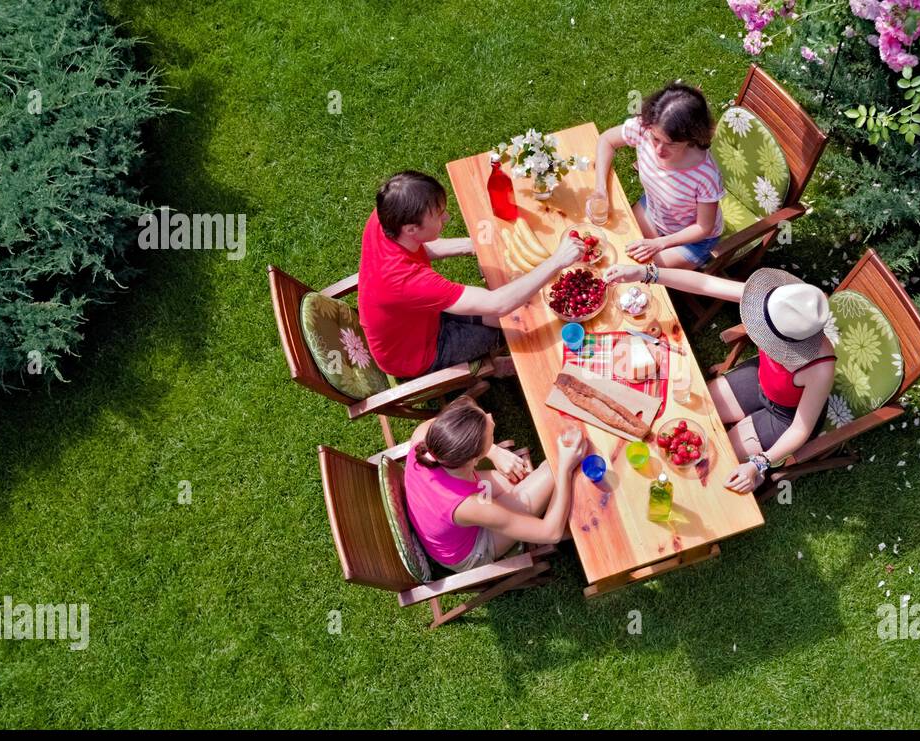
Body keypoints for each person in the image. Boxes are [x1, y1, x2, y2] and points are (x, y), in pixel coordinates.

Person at [605, 263, 835, 494]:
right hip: (761, 378)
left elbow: (799, 429)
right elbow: (706, 284)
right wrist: (647, 274)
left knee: (713, 456)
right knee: (689, 409)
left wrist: (758, 463)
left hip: (787, 415)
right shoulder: (779, 302)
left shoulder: (821, 368)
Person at [358, 170, 583, 380]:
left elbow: (418, 249)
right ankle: (497, 368)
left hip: (413, 318)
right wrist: (557, 261)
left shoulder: (386, 216)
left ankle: (492, 357)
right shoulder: (408, 281)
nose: (446, 218)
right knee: (501, 329)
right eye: (437, 215)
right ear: (410, 229)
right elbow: (498, 304)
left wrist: (472, 244)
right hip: (413, 353)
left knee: (508, 315)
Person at [403, 396, 586, 572]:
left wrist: (493, 451)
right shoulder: (468, 505)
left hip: (446, 509)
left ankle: (544, 512)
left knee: (522, 479)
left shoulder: (424, 439)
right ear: (474, 460)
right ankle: (574, 525)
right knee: (552, 471)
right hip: (468, 550)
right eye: (490, 435)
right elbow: (550, 533)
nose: (491, 418)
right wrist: (564, 469)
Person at [592, 83, 725, 270]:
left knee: (643, 271)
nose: (659, 150)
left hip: (693, 241)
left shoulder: (705, 175)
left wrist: (660, 244)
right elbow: (606, 140)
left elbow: (704, 227)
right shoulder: (644, 128)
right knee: (612, 241)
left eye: (671, 144)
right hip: (655, 211)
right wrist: (600, 190)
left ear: (692, 137)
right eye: (655, 139)